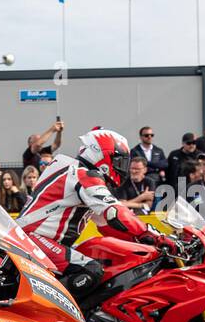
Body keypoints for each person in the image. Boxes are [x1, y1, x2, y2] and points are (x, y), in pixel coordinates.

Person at [19, 127, 169, 300]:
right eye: (118, 162)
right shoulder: (82, 174)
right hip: (33, 240)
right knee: (91, 270)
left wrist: (144, 245)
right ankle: (62, 317)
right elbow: (114, 212)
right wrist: (154, 235)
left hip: (36, 240)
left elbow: (106, 224)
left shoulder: (75, 172)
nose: (121, 168)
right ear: (101, 156)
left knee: (96, 259)